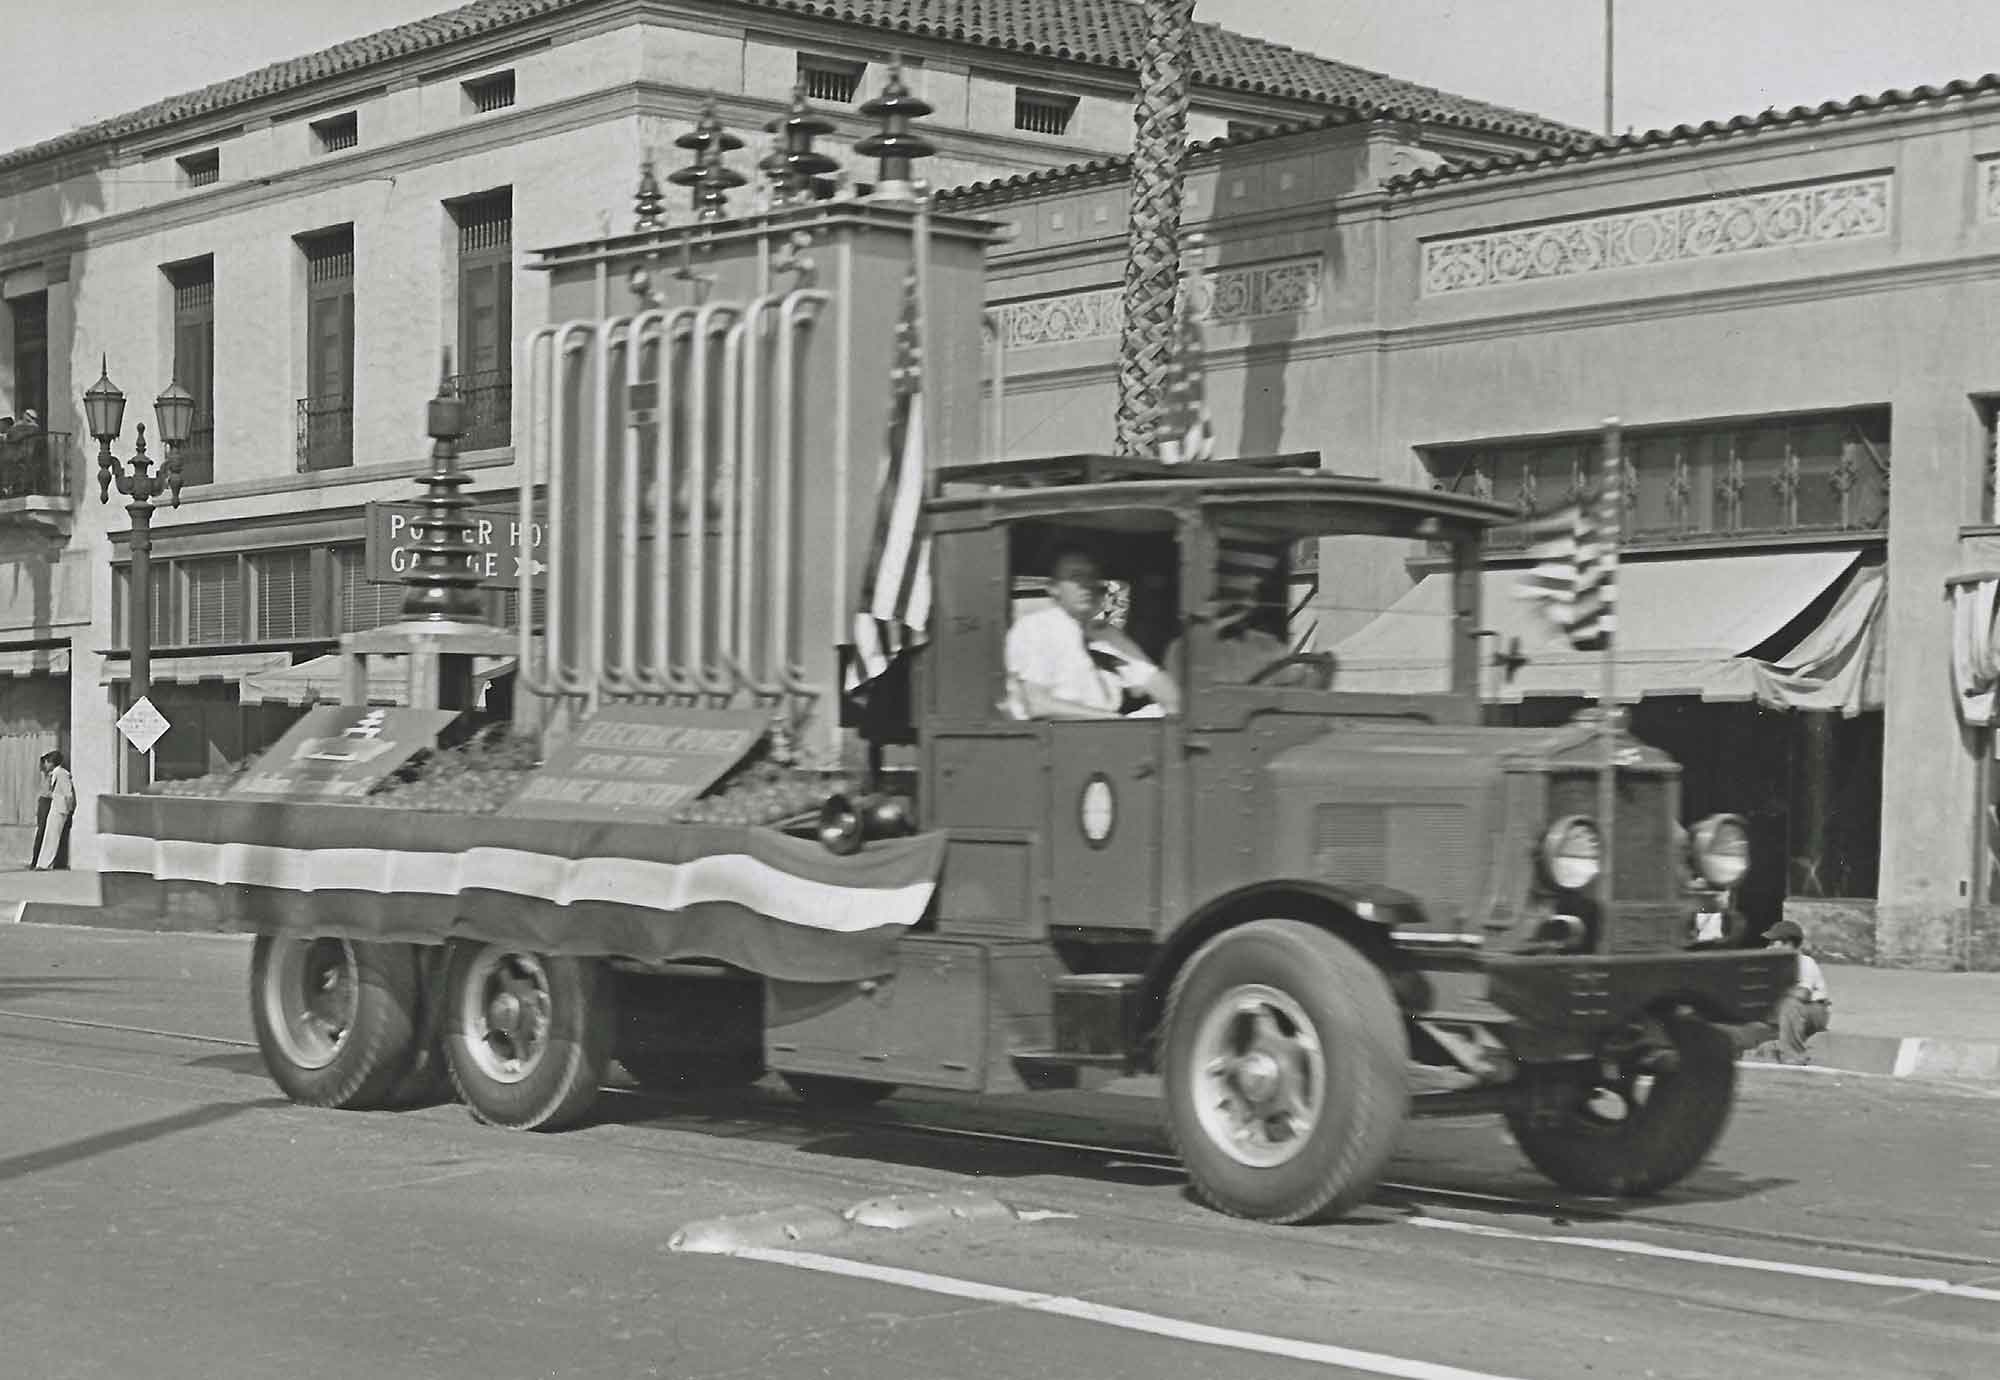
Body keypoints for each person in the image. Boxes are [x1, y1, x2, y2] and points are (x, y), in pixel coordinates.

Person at [1004, 546, 1181, 720]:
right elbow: (1037, 704)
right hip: (1055, 734)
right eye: (1076, 577)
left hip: (1107, 729)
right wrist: (1111, 720)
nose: (1086, 585)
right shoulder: (1034, 629)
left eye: (1092, 578)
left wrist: (1174, 708)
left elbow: (1155, 682)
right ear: (1054, 588)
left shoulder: (1108, 636)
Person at [1754, 919, 1830, 1064]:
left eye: (1773, 942)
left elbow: (1803, 994)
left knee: (1789, 1004)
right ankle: (1777, 1045)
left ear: (1788, 943)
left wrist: (1776, 993)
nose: (1768, 947)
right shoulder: (1774, 966)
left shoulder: (1804, 962)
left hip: (1814, 1011)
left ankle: (1794, 1056)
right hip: (1791, 1013)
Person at [34, 749, 73, 871]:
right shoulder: (56, 773)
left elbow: (68, 794)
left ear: (51, 762)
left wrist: (54, 796)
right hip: (56, 807)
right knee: (50, 835)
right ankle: (44, 863)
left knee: (53, 836)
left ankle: (45, 864)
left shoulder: (62, 774)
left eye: (47, 762)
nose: (45, 765)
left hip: (60, 808)